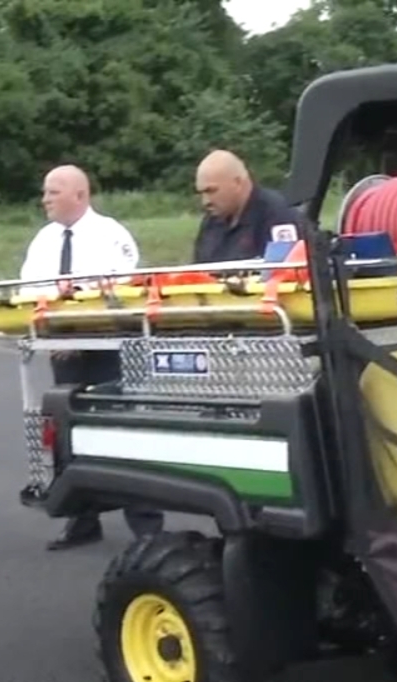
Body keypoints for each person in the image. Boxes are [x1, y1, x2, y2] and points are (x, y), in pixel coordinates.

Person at [19, 164, 165, 550]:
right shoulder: (44, 241)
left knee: (124, 434)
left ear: (79, 196)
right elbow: (32, 291)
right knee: (68, 435)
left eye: (53, 192)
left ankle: (147, 528)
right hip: (63, 352)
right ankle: (82, 520)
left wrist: (82, 334)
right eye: (45, 191)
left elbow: (121, 294)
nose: (45, 198)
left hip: (109, 353)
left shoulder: (110, 236)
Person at [191, 150, 310, 264]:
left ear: (237, 183)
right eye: (202, 193)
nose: (205, 201)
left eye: (211, 191)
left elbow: (287, 275)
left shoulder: (278, 216)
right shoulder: (211, 221)